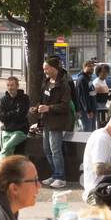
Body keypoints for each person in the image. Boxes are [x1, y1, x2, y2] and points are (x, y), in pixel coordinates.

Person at [32, 56, 72, 188]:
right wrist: (37, 108)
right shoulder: (47, 82)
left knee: (55, 150)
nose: (45, 71)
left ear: (54, 68)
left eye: (47, 68)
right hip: (46, 121)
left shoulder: (64, 84)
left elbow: (65, 106)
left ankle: (61, 177)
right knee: (47, 149)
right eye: (44, 69)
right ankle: (55, 174)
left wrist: (49, 108)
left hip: (57, 122)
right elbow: (43, 100)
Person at [0, 76, 31, 161]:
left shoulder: (24, 98)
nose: (10, 88)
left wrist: (8, 114)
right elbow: (1, 118)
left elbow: (21, 115)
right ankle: (8, 171)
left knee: (6, 148)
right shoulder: (3, 100)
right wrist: (14, 112)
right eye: (8, 85)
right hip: (6, 130)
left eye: (12, 85)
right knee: (8, 151)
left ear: (17, 86)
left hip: (20, 130)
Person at [74, 59, 97, 132]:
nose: (92, 68)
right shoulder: (82, 79)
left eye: (92, 66)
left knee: (91, 132)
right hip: (86, 112)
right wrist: (88, 110)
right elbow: (82, 96)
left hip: (92, 109)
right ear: (84, 67)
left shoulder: (88, 78)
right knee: (87, 133)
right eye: (89, 66)